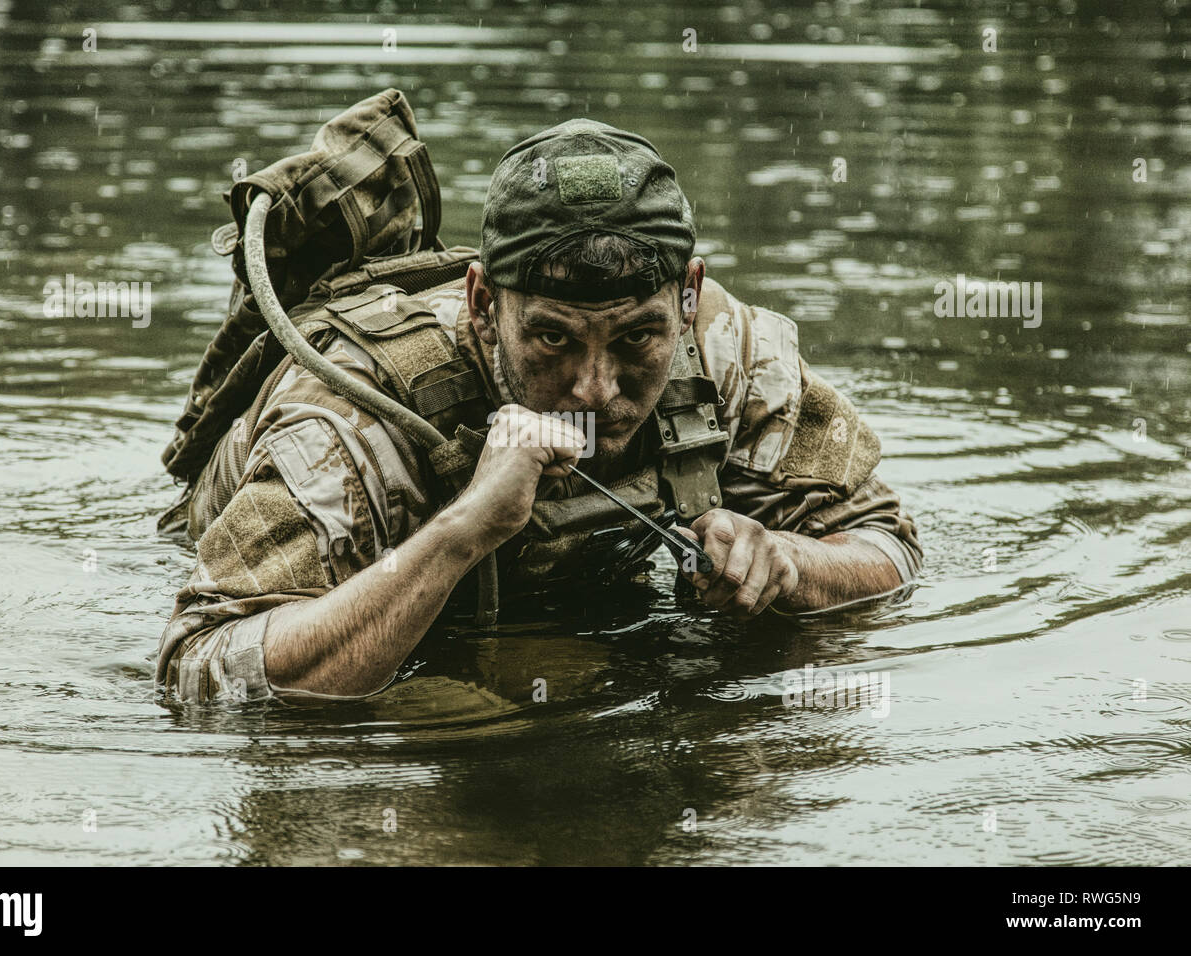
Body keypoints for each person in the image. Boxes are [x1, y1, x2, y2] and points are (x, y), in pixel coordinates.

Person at [154, 118, 922, 704]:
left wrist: (789, 564)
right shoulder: (356, 413)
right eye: (552, 336)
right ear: (485, 303)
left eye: (637, 337)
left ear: (687, 297)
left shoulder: (728, 351)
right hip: (296, 565)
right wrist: (464, 530)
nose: (594, 387)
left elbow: (888, 545)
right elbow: (203, 669)